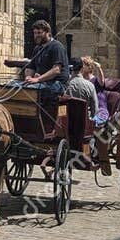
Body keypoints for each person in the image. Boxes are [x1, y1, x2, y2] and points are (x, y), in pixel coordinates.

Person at [23, 18, 89, 166]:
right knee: (18, 87)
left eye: (39, 33)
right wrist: (28, 76)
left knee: (39, 90)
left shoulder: (56, 47)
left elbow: (56, 70)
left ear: (47, 32)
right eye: (34, 33)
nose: (36, 36)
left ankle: (47, 128)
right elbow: (31, 66)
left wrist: (38, 80)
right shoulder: (37, 49)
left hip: (56, 85)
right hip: (41, 83)